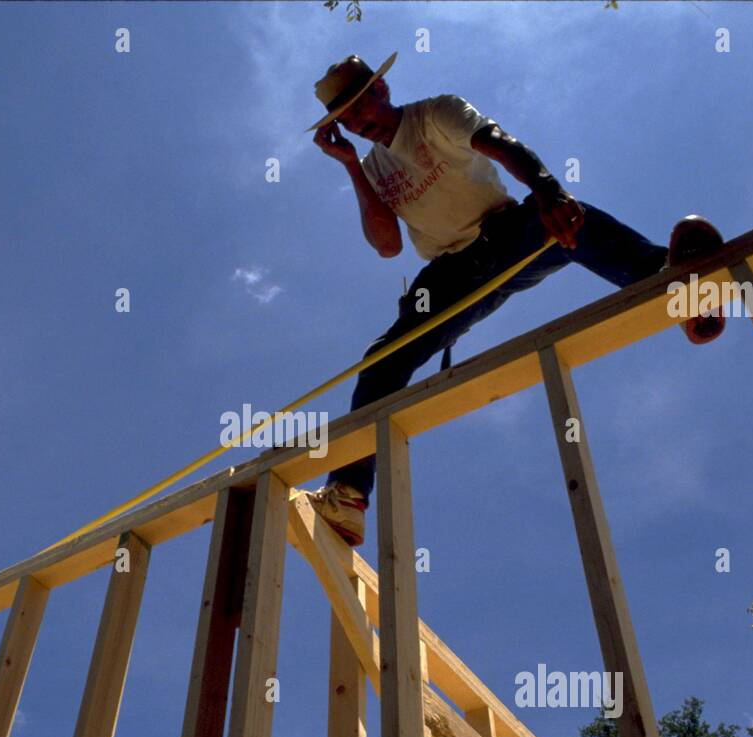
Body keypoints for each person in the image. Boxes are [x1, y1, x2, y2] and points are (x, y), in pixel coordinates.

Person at [303, 52, 725, 546]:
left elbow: (500, 144)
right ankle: (348, 495)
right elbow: (388, 245)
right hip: (450, 275)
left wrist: (548, 190)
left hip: (507, 236)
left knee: (572, 219)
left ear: (382, 90)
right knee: (382, 361)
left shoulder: (435, 114)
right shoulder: (370, 165)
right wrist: (352, 166)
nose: (359, 124)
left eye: (362, 108)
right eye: (347, 120)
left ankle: (672, 282)